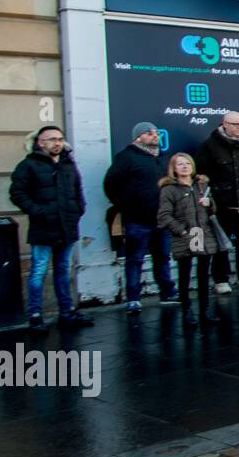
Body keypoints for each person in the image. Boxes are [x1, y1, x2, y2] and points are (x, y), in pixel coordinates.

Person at [9, 125, 90, 331]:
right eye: (52, 139)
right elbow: (17, 194)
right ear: (40, 142)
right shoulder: (28, 165)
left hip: (67, 227)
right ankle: (35, 315)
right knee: (39, 271)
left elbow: (77, 190)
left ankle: (67, 312)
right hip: (43, 228)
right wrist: (38, 211)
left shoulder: (68, 164)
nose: (57, 143)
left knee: (63, 270)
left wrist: (78, 210)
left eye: (60, 139)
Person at [105, 121, 178, 314]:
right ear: (138, 137)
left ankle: (167, 293)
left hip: (162, 219)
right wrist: (126, 206)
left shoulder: (163, 158)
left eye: (156, 132)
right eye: (149, 133)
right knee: (135, 259)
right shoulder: (127, 157)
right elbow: (110, 184)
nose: (155, 135)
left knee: (162, 257)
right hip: (137, 220)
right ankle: (134, 299)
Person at [194, 111, 239, 295]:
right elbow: (200, 175)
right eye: (235, 124)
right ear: (225, 124)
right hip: (224, 205)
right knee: (221, 245)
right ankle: (221, 280)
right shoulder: (210, 146)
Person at [157, 153, 220, 325]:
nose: (185, 167)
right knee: (184, 274)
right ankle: (187, 310)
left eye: (187, 163)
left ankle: (205, 310)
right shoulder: (169, 189)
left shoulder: (202, 185)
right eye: (180, 164)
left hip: (203, 233)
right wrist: (182, 232)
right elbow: (164, 216)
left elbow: (212, 209)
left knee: (203, 274)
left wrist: (210, 203)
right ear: (174, 169)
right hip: (185, 235)